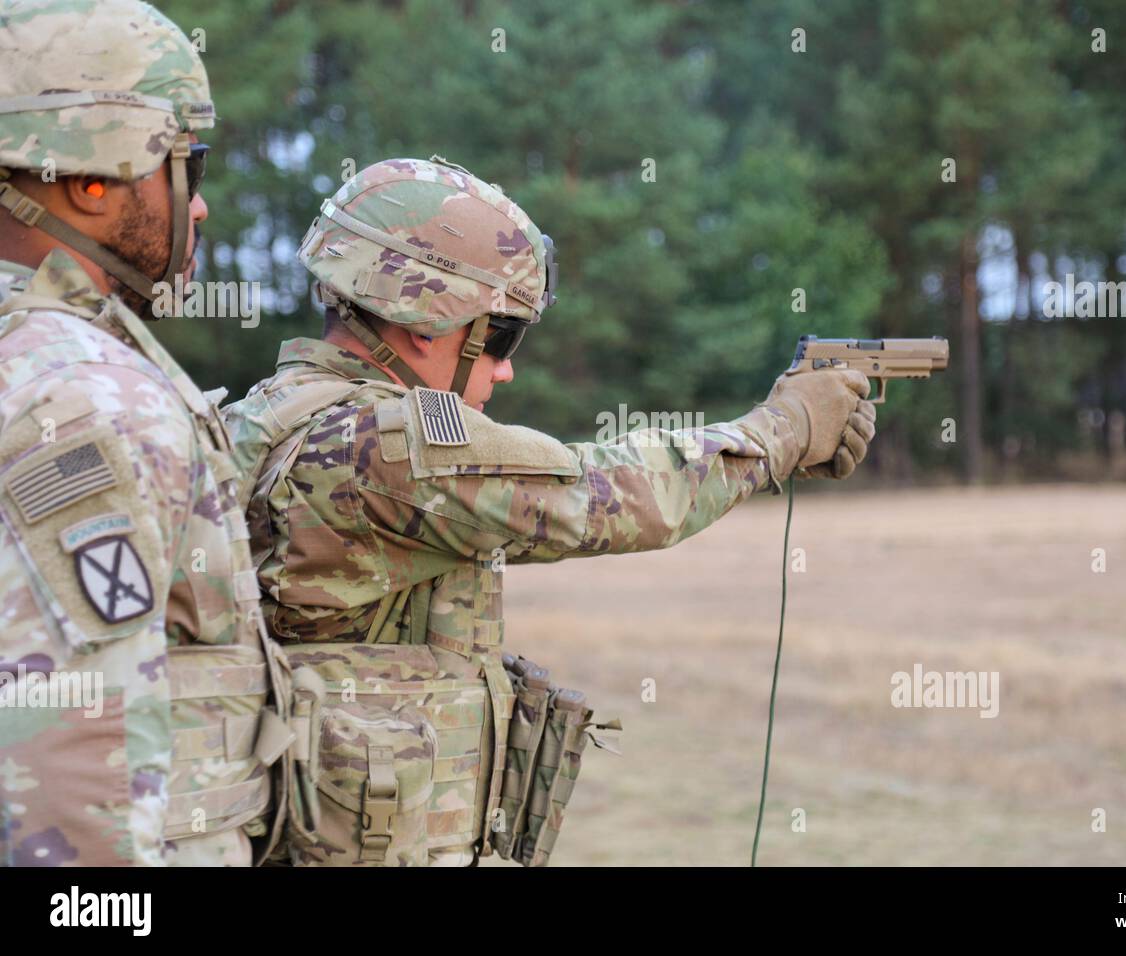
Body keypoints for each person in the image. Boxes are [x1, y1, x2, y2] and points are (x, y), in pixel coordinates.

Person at [223, 156, 875, 866]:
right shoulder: (381, 447)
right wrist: (779, 432)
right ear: (428, 323)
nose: (505, 369)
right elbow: (613, 497)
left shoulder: (259, 416)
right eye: (499, 336)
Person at [0, 0, 296, 867]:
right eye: (185, 167)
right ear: (91, 179)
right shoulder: (82, 395)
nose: (197, 208)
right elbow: (71, 768)